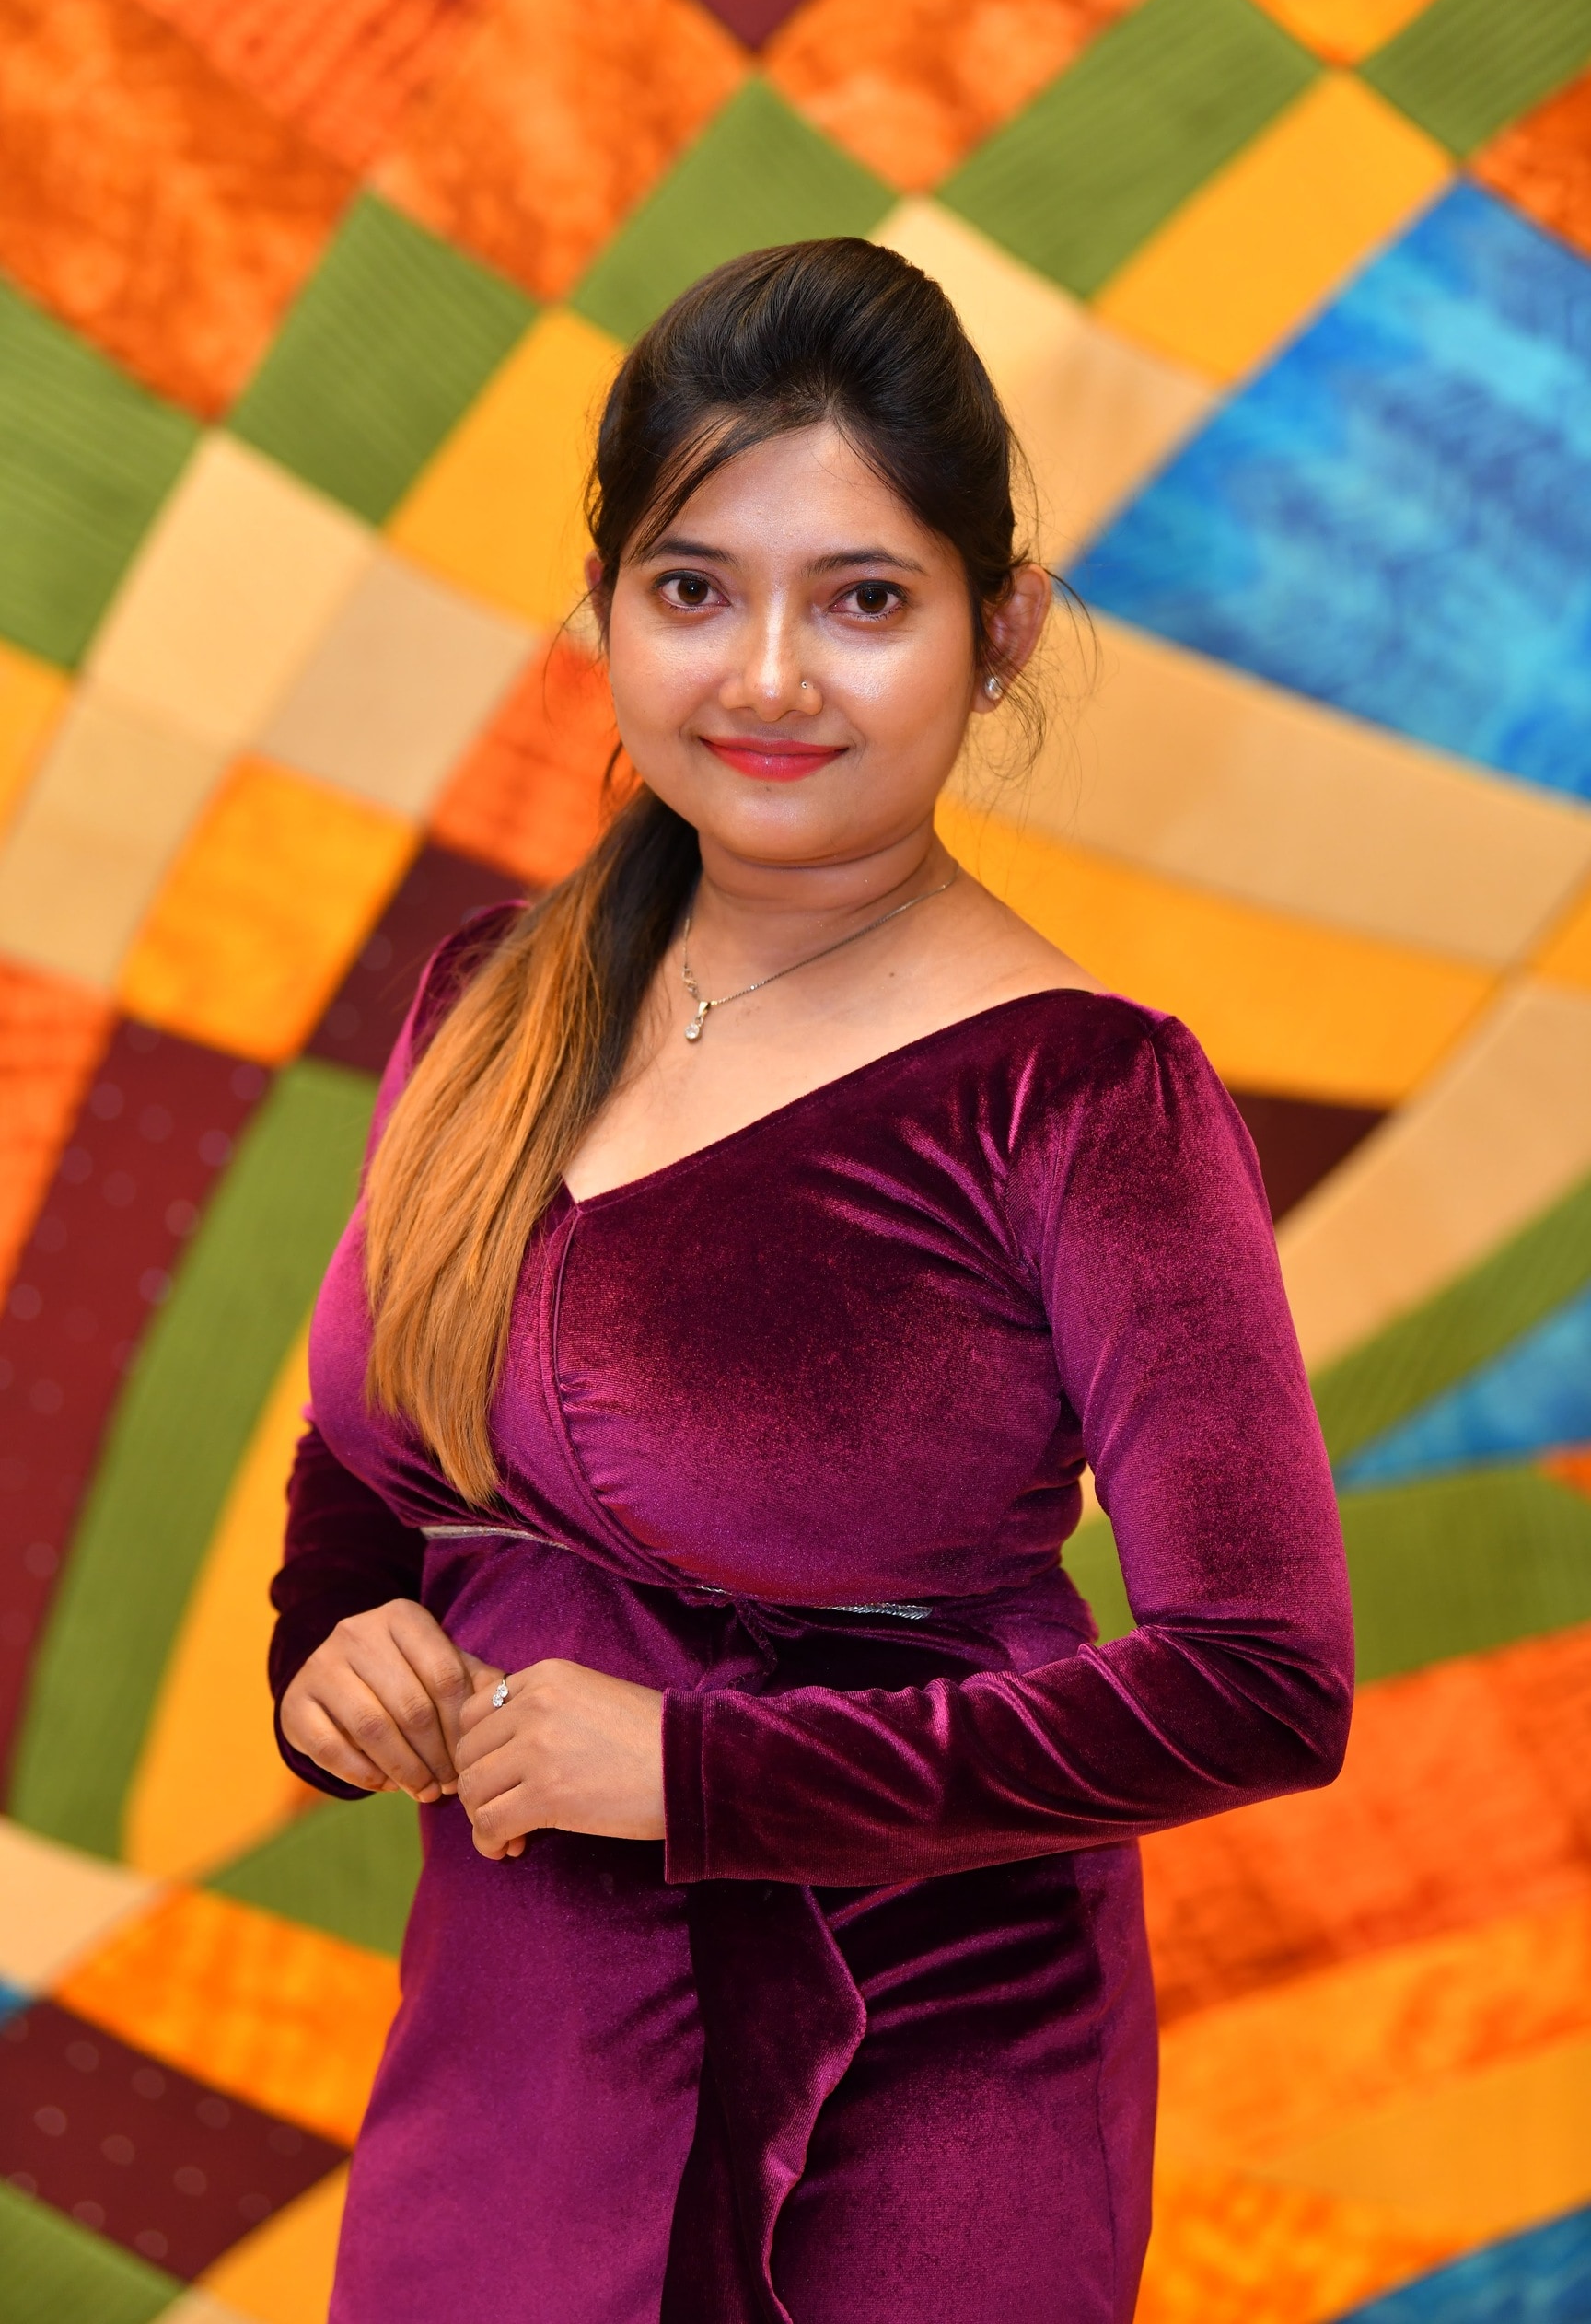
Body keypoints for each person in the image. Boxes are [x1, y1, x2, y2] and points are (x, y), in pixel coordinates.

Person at [270, 238, 1353, 2324]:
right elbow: (371, 1458)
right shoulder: (492, 1000)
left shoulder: (1084, 1098)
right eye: (695, 590)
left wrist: (704, 1778)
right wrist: (335, 1646)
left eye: (862, 600)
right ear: (600, 610)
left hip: (917, 2089)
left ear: (998, 631)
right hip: (517, 2056)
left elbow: (1260, 1678)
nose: (767, 679)